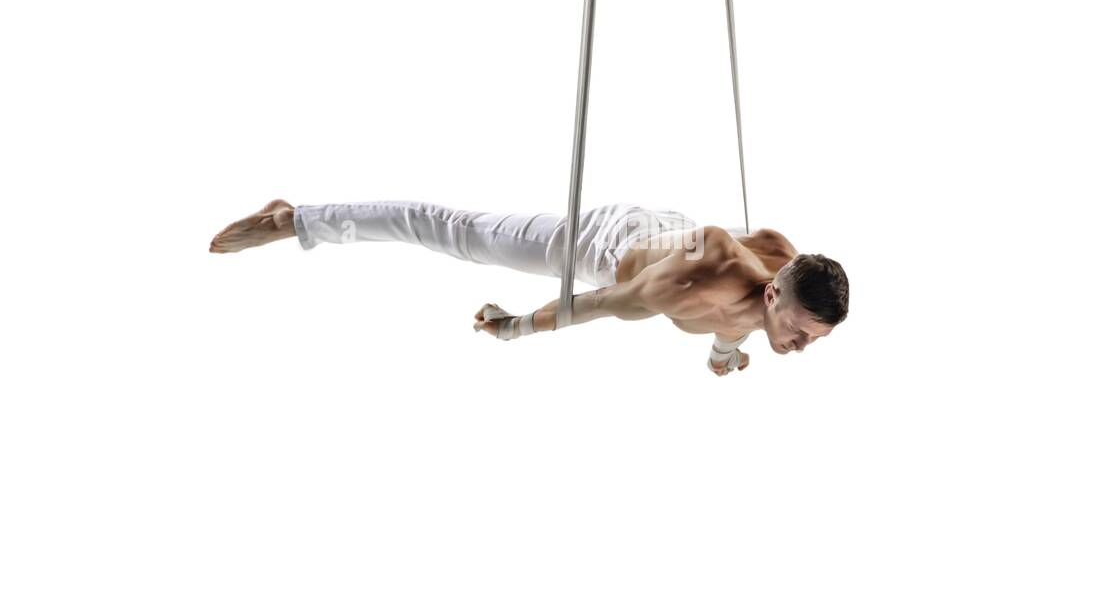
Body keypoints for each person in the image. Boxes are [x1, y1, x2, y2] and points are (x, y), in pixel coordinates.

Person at [209, 198, 848, 375]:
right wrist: (514, 326)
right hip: (610, 246)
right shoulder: (686, 294)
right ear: (772, 298)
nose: (798, 346)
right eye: (798, 332)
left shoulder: (787, 263)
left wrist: (724, 356)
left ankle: (299, 221)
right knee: (464, 233)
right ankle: (294, 221)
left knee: (721, 299)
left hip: (681, 237)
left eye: (810, 339)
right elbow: (592, 304)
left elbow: (739, 320)